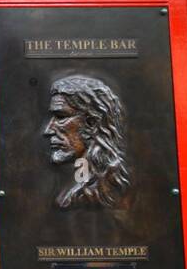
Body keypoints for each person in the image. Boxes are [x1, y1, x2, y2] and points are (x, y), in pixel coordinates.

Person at [42, 75, 131, 209]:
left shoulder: (106, 190)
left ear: (91, 123)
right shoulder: (87, 183)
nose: (48, 130)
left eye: (61, 117)